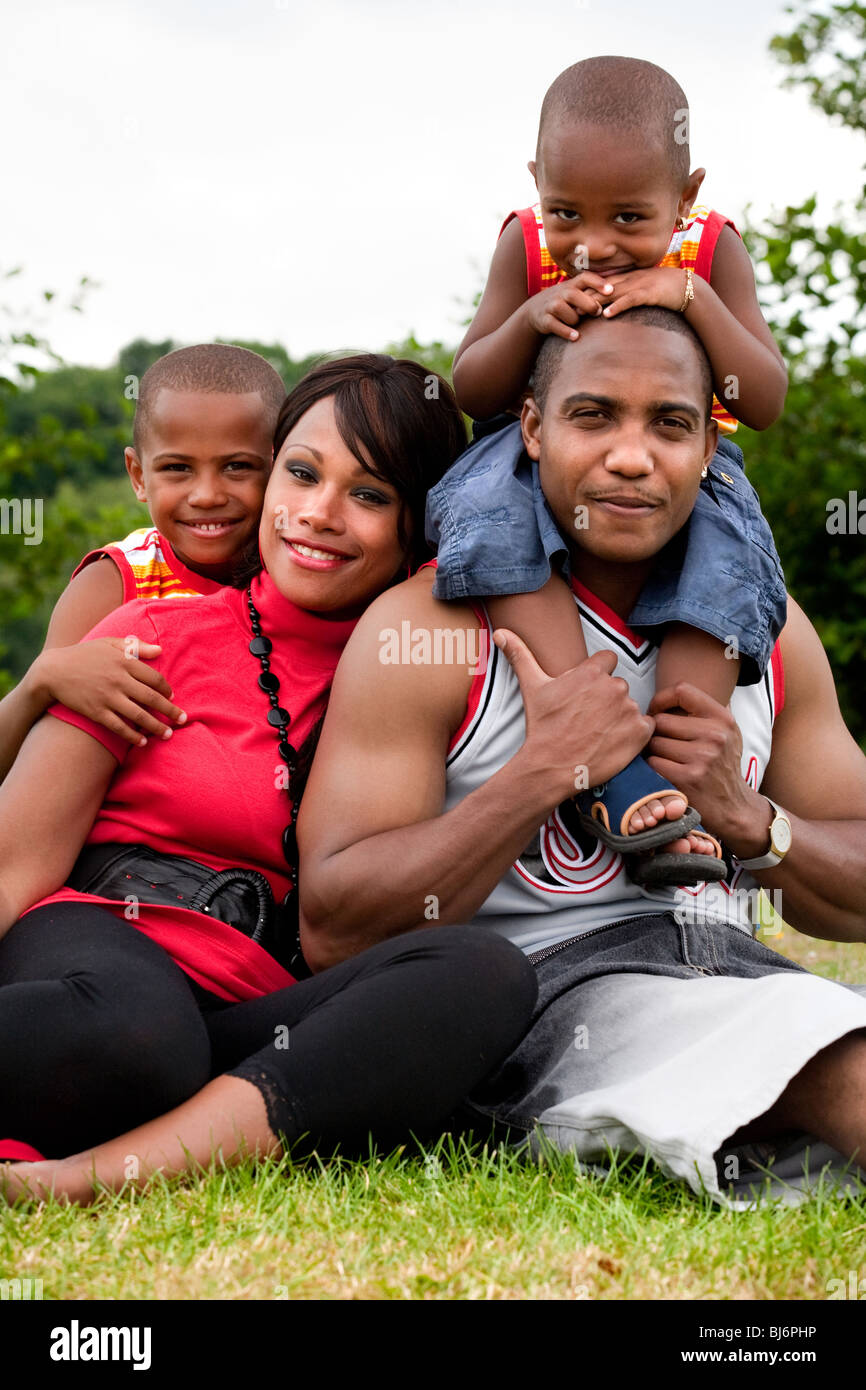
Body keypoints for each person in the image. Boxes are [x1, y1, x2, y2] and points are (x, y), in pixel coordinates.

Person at [297, 310, 866, 1206]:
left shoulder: (767, 630)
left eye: (670, 424)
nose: (633, 458)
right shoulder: (431, 630)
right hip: (548, 1008)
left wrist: (754, 823)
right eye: (593, 416)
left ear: (712, 443)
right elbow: (333, 926)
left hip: (744, 978)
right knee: (836, 1049)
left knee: (811, 1026)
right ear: (531, 428)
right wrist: (544, 770)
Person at [0, 354, 537, 1202]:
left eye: (369, 495)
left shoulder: (428, 676)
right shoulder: (149, 632)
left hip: (249, 1006)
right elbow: (12, 865)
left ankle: (90, 1169)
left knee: (485, 974)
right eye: (302, 473)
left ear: (415, 528)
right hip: (101, 951)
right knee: (138, 1032)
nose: (318, 516)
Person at [426, 55, 789, 882]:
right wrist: (525, 319)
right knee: (489, 520)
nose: (594, 244)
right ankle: (602, 748)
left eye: (631, 217)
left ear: (686, 198)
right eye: (567, 212)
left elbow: (761, 397)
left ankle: (677, 771)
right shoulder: (524, 243)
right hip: (535, 449)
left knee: (727, 559)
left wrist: (691, 298)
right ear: (535, 184)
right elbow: (471, 386)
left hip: (686, 460)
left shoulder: (709, 249)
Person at [0, 343, 286, 782]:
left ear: (280, 465)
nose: (207, 495)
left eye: (237, 467)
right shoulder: (115, 582)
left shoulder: (303, 572)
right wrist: (42, 680)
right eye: (177, 468)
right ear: (138, 476)